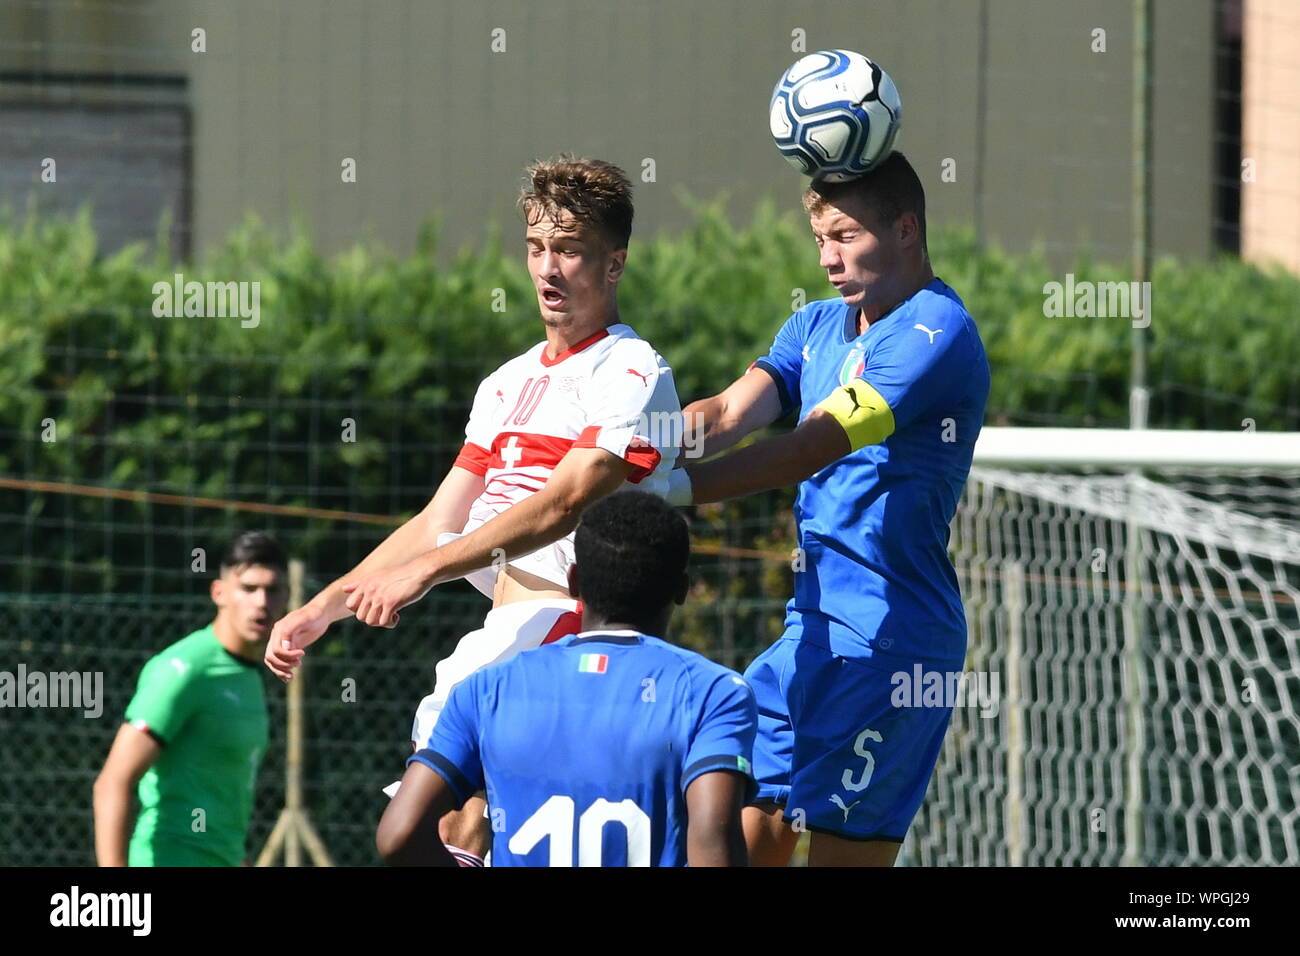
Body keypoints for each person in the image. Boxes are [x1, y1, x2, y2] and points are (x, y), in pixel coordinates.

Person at [264, 157, 682, 866]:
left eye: (570, 249)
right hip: (509, 627)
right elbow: (438, 519)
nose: (548, 268)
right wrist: (328, 605)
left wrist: (423, 574)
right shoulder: (505, 383)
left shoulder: (633, 371)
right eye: (536, 247)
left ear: (615, 263)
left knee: (438, 826)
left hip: (569, 627)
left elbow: (565, 502)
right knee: (464, 829)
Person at [676, 152, 991, 866]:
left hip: (892, 648)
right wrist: (643, 444)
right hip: (808, 635)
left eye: (845, 236)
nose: (827, 258)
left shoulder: (935, 334)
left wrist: (677, 492)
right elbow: (725, 413)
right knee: (739, 837)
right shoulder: (815, 326)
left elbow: (810, 445)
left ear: (907, 229)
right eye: (820, 238)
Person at [376, 491, 755, 867]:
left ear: (574, 582)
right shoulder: (714, 692)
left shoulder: (484, 689)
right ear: (682, 590)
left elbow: (399, 836)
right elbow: (713, 844)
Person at [93, 531, 289, 866]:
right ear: (219, 592)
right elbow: (113, 782)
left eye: (273, 590)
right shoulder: (184, 668)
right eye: (248, 588)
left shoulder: (249, 674)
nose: (261, 602)